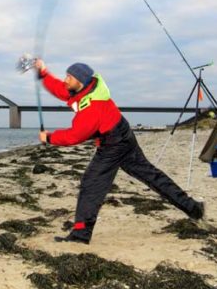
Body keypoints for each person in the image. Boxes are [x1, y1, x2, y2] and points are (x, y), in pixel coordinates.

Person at [34, 58, 205, 244]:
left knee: (91, 184)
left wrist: (49, 137)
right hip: (122, 134)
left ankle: (80, 235)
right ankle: (194, 208)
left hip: (114, 143)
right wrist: (43, 72)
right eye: (66, 76)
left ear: (80, 81)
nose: (65, 79)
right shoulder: (83, 88)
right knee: (151, 175)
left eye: (69, 77)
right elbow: (60, 88)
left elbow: (75, 136)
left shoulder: (92, 106)